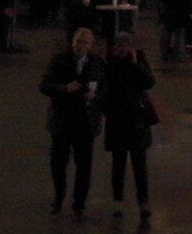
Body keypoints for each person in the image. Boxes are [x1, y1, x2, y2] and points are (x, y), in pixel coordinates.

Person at [39, 28, 105, 219]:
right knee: (58, 161)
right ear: (72, 42)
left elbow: (106, 87)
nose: (81, 46)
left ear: (91, 45)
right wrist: (64, 88)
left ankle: (79, 203)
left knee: (84, 164)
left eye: (85, 43)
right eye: (78, 42)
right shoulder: (59, 59)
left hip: (86, 120)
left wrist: (96, 95)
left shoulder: (97, 62)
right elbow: (44, 85)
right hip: (63, 118)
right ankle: (59, 197)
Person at [101, 31, 157, 222]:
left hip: (136, 121)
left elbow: (149, 82)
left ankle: (143, 202)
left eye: (125, 46)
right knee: (118, 164)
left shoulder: (138, 60)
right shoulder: (109, 64)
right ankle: (118, 201)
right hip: (118, 120)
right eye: (119, 46)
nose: (122, 49)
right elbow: (104, 90)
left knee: (139, 164)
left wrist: (135, 65)